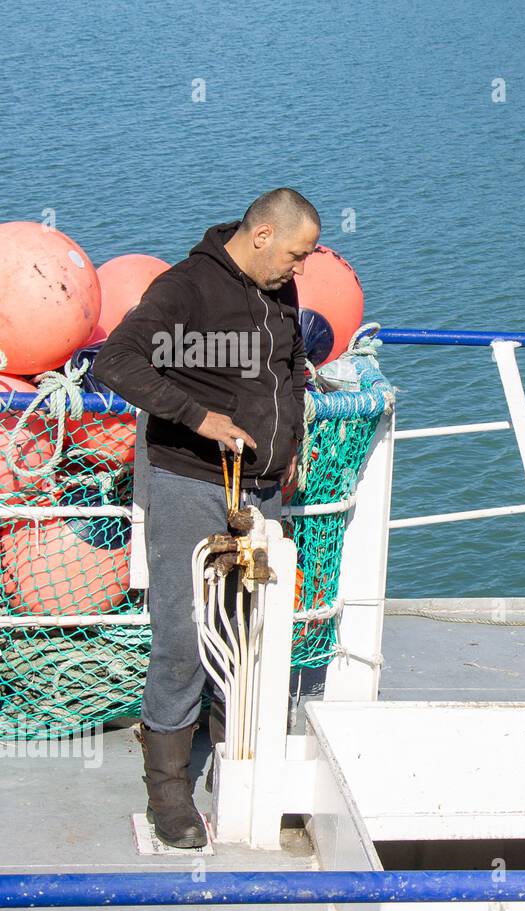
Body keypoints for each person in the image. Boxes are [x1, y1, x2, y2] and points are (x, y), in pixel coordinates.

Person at [95, 188, 319, 848]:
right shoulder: (185, 289)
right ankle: (167, 788)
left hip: (263, 491)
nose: (300, 269)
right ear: (260, 237)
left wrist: (294, 444)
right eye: (295, 255)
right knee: (186, 634)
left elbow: (290, 365)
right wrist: (197, 418)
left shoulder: (277, 287)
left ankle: (235, 761)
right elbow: (116, 361)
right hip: (190, 482)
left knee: (246, 633)